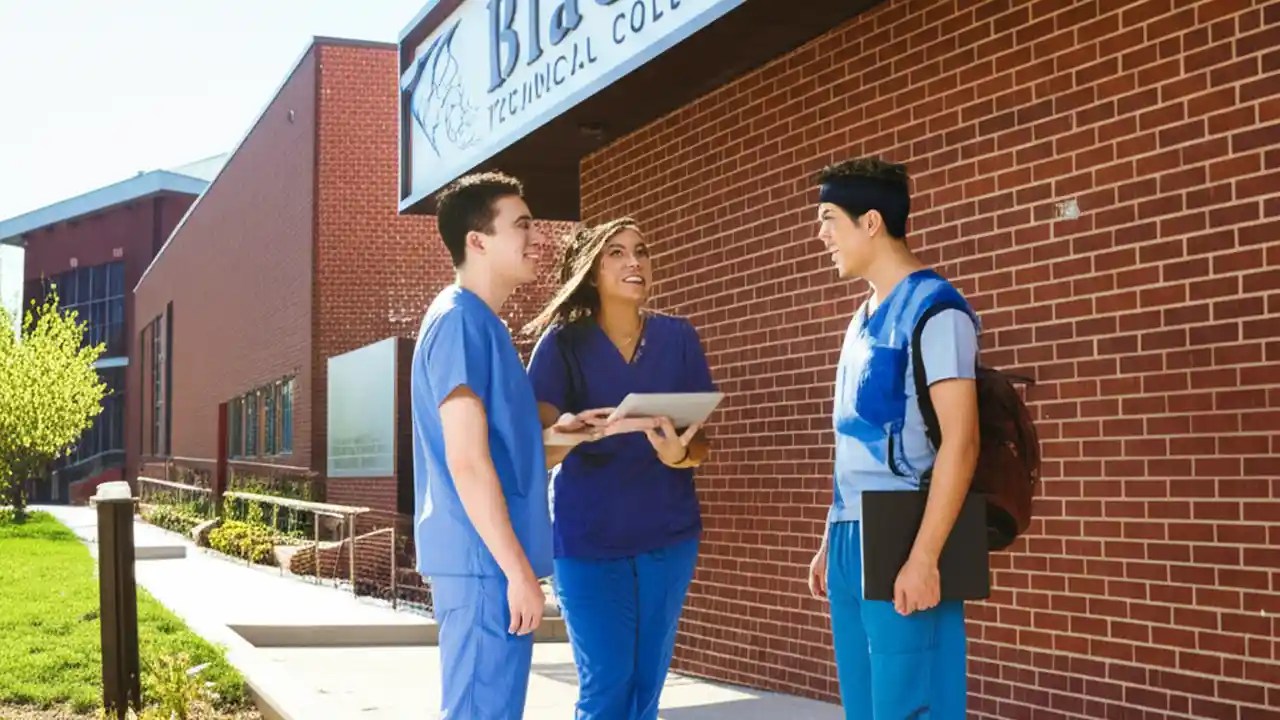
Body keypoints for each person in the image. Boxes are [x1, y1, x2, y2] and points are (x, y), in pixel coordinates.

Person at [806, 157, 981, 719]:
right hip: (852, 538)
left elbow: (962, 442)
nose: (822, 233)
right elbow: (852, 446)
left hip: (906, 531)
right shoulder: (859, 320)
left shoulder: (936, 310)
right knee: (868, 709)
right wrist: (831, 536)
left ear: (873, 222)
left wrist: (925, 556)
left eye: (830, 217)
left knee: (913, 706)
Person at [522, 218, 716, 720]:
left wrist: (677, 454)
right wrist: (569, 430)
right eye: (617, 253)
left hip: (668, 536)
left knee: (646, 686)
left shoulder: (679, 338)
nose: (635, 262)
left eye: (642, 252)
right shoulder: (562, 345)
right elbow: (535, 451)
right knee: (608, 686)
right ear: (591, 271)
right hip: (589, 542)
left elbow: (700, 444)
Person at [410, 171, 556, 720]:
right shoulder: (459, 323)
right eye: (522, 225)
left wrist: (577, 432)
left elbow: (505, 455)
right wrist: (518, 571)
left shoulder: (483, 325)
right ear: (478, 241)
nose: (536, 238)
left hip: (490, 564)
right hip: (484, 566)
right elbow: (467, 461)